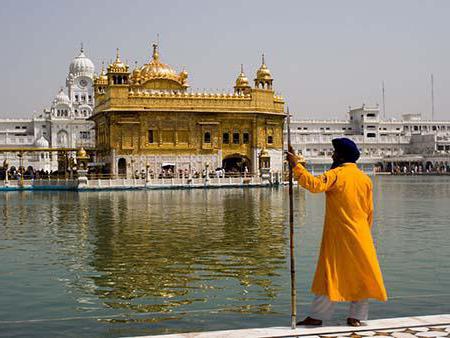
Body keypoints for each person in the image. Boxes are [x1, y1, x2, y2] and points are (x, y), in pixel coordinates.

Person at [286, 138, 387, 327]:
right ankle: (356, 317)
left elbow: (314, 185)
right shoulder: (364, 179)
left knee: (329, 272)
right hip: (361, 234)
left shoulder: (337, 174)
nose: (332, 155)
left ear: (340, 155)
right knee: (362, 274)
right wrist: (365, 233)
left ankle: (318, 316)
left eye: (334, 152)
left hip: (339, 236)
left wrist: (296, 167)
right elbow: (370, 211)